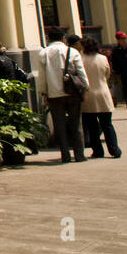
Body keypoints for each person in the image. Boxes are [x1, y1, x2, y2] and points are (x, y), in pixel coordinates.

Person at [39, 31, 88, 163]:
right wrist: (85, 87)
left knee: (59, 125)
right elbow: (81, 71)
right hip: (72, 92)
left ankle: (65, 154)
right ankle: (79, 154)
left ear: (48, 37)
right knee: (76, 123)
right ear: (63, 38)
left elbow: (42, 76)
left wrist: (44, 92)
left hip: (54, 94)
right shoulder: (71, 52)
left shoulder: (44, 53)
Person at [79, 36, 122, 158]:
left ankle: (97, 150)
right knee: (107, 124)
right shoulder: (103, 58)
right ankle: (114, 149)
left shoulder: (81, 59)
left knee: (92, 126)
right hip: (103, 93)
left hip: (88, 95)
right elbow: (107, 74)